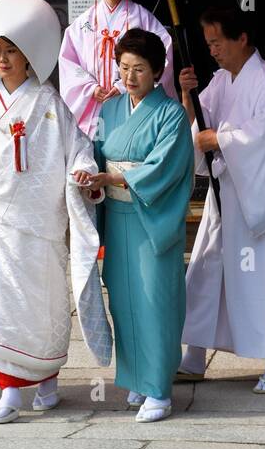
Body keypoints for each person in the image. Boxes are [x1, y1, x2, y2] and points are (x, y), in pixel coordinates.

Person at [0, 0, 111, 424]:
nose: (2, 59)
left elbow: (78, 147)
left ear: (29, 55)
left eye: (11, 50)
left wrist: (82, 171)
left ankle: (46, 376)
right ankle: (10, 390)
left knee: (39, 302)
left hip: (37, 220)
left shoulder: (48, 102)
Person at [178, 6, 265, 393]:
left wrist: (219, 139)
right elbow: (199, 123)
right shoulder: (221, 80)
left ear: (242, 39)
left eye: (218, 42)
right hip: (224, 195)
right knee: (207, 272)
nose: (213, 50)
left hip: (257, 196)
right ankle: (194, 356)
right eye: (208, 44)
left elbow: (264, 136)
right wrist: (187, 96)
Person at [82, 28, 192, 423]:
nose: (130, 77)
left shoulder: (171, 114)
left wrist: (114, 178)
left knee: (154, 301)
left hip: (151, 219)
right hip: (118, 217)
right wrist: (88, 174)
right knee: (124, 298)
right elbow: (96, 152)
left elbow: (166, 167)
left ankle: (159, 389)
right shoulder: (110, 110)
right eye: (124, 67)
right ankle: (135, 378)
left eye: (140, 69)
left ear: (158, 71)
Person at [59, 0, 174, 138]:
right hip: (94, 101)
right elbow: (68, 61)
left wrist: (125, 84)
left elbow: (162, 55)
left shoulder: (143, 19)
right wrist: (90, 88)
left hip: (132, 98)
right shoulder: (83, 22)